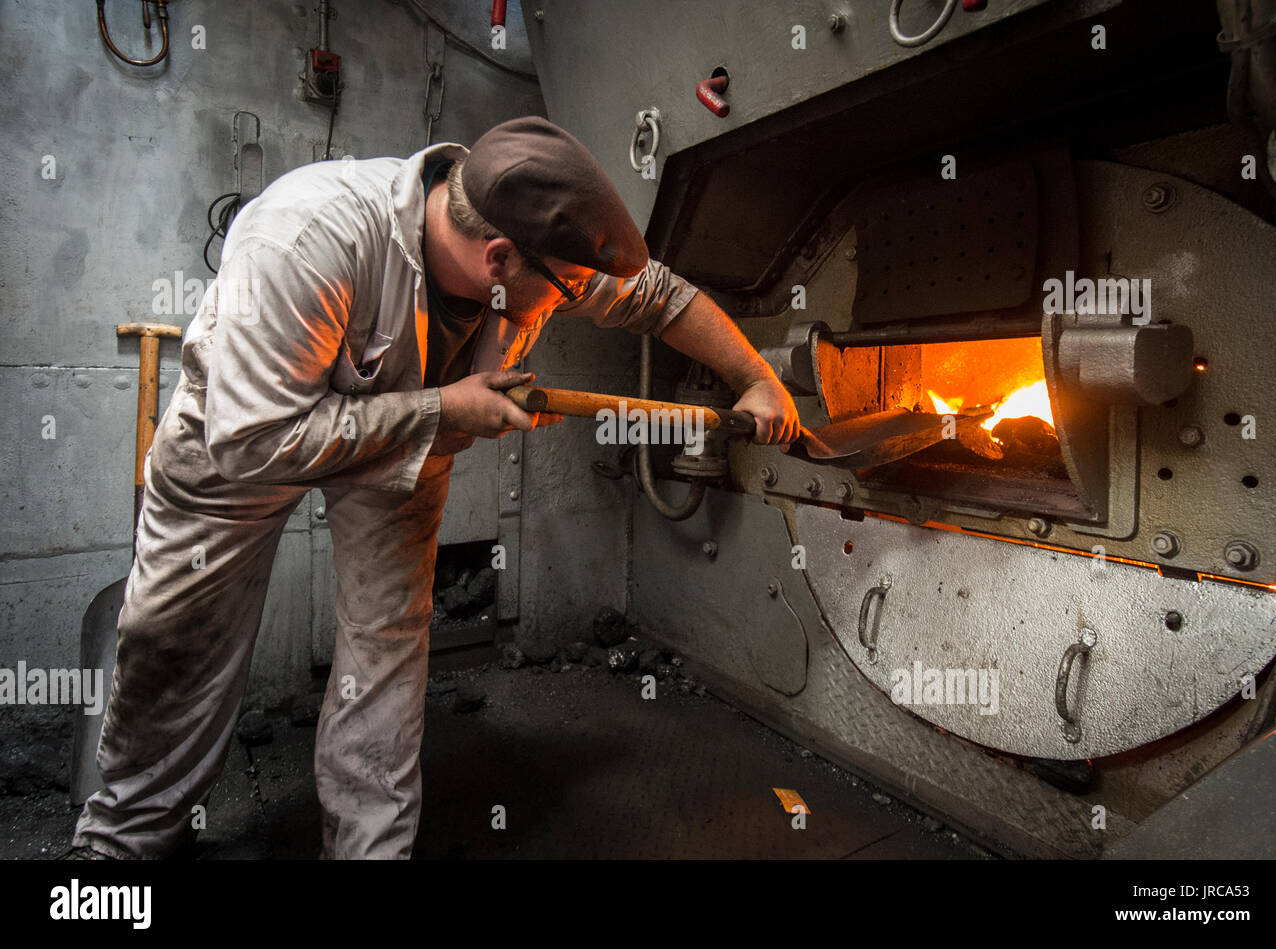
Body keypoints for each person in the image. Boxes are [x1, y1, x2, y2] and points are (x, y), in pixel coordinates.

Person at [69, 116, 798, 860]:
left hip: (401, 445)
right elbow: (255, 440)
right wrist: (444, 407)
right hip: (244, 428)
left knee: (386, 643)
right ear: (499, 257)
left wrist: (757, 379)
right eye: (568, 291)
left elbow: (656, 297)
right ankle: (121, 846)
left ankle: (368, 851)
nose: (580, 300)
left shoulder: (535, 248)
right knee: (176, 634)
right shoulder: (307, 239)